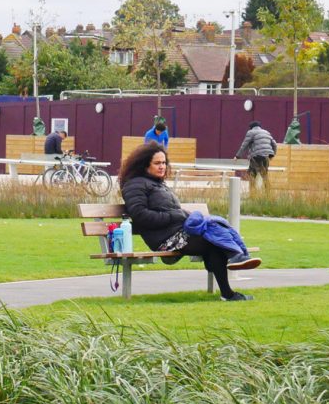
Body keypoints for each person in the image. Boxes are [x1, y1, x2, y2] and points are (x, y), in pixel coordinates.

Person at [119, 142, 260, 302]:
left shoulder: (158, 184)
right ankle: (236, 257)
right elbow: (140, 216)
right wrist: (175, 215)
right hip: (164, 239)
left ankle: (230, 281)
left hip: (178, 233)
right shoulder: (135, 185)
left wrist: (181, 215)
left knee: (214, 230)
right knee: (212, 238)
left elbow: (172, 212)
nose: (162, 166)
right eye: (157, 163)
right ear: (144, 165)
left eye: (164, 163)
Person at [236, 120, 278, 189]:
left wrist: (237, 156)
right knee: (265, 175)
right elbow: (275, 145)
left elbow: (244, 145)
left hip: (256, 156)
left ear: (251, 127)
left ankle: (253, 195)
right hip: (266, 156)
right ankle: (268, 195)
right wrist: (272, 155)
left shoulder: (251, 132)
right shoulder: (267, 132)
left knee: (252, 175)